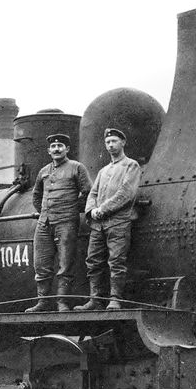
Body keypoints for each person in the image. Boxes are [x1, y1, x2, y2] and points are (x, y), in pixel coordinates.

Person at [76, 127, 142, 311]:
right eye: (108, 142)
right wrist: (91, 211)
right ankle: (95, 299)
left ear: (123, 143)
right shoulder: (103, 171)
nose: (111, 145)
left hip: (119, 222)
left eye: (114, 141)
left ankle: (115, 299)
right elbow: (93, 193)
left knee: (116, 261)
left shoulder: (131, 165)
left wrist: (102, 209)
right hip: (98, 224)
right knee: (93, 261)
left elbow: (126, 193)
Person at [25, 133, 92, 313]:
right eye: (53, 147)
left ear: (67, 149)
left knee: (65, 264)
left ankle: (62, 302)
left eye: (60, 146)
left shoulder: (76, 168)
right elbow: (36, 195)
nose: (56, 149)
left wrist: (72, 209)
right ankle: (43, 302)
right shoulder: (44, 171)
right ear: (49, 151)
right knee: (41, 264)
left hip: (66, 222)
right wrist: (44, 212)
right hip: (44, 223)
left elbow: (88, 192)